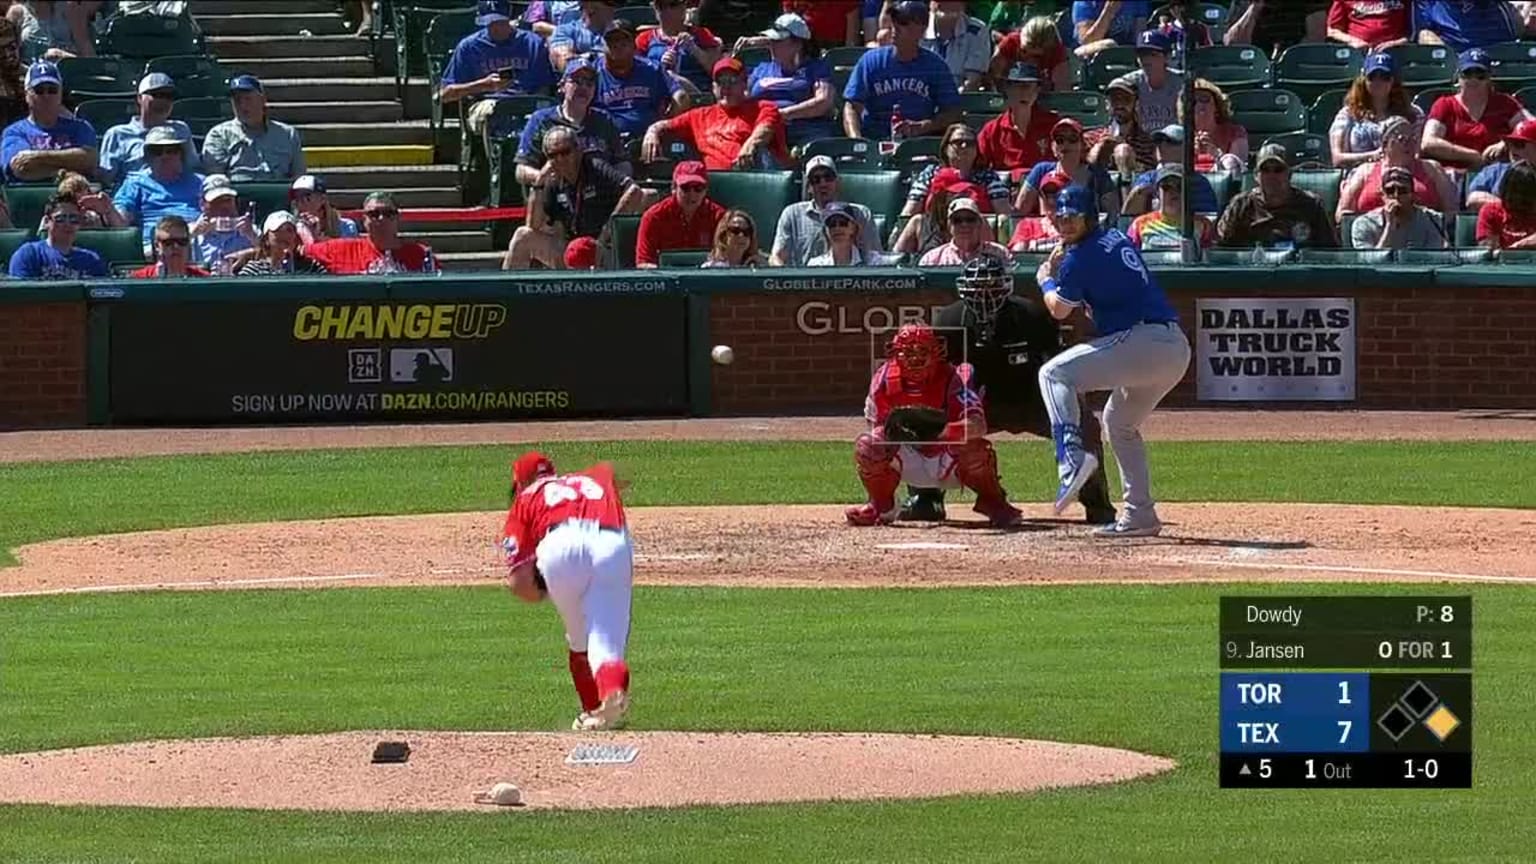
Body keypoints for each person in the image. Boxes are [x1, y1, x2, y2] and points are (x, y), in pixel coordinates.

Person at [901, 256, 1115, 524]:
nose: (984, 295)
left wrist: (1072, 405)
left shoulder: (1032, 315)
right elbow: (936, 378)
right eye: (977, 288)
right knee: (923, 417)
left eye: (991, 287)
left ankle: (1097, 501)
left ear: (1006, 287)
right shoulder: (948, 321)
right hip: (977, 407)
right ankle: (925, 498)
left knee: (1085, 425)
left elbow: (1060, 369)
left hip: (1033, 400)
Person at [1034, 183, 1189, 537]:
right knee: (1119, 423)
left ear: (1090, 217)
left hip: (1143, 341)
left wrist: (1045, 280)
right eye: (1061, 218)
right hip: (1172, 347)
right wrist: (1066, 261)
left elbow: (1059, 310)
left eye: (1073, 218)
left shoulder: (1079, 258)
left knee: (1053, 375)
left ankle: (1071, 458)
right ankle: (1140, 514)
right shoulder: (1114, 236)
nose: (1065, 224)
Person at [501, 451, 635, 732]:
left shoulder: (525, 499)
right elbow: (617, 473)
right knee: (606, 643)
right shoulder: (596, 476)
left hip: (559, 547)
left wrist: (548, 586)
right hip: (610, 543)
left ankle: (594, 711)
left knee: (579, 639)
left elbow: (520, 583)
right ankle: (610, 692)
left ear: (521, 482)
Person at [844, 321, 1024, 528]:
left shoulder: (955, 377)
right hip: (908, 459)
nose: (915, 359)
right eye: (908, 352)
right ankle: (881, 505)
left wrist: (940, 431)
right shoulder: (883, 379)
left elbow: (978, 425)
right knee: (868, 445)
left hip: (947, 459)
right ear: (895, 353)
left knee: (974, 447)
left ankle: (994, 503)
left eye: (922, 351)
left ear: (937, 352)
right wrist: (902, 432)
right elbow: (876, 427)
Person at [505, 125, 650, 268]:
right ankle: (505, 283)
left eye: (565, 152)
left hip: (602, 248)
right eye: (553, 155)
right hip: (571, 249)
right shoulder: (552, 181)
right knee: (523, 235)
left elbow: (634, 191)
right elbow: (533, 225)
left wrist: (606, 233)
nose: (560, 159)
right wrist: (538, 183)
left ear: (578, 150)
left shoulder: (595, 168)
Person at [437, 0, 556, 156]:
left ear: (509, 18)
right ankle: (496, 163)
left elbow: (544, 86)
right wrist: (484, 85)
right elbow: (444, 95)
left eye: (500, 22)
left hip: (527, 102)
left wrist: (534, 105)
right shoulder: (469, 47)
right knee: (492, 113)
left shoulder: (532, 43)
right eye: (490, 23)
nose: (495, 27)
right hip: (488, 102)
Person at [640, 56, 788, 170]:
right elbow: (664, 125)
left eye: (732, 80)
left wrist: (750, 145)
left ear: (744, 84)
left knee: (761, 153)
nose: (726, 87)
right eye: (720, 82)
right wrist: (652, 131)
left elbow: (764, 130)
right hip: (715, 184)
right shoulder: (698, 116)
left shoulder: (763, 107)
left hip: (756, 176)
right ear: (713, 87)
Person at [841, 1, 961, 140]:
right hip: (875, 141)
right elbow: (851, 106)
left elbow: (953, 112)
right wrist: (857, 140)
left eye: (903, 22)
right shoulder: (871, 61)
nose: (895, 27)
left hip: (917, 143)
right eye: (894, 21)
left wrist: (925, 126)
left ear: (922, 29)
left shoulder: (935, 66)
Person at [513, 58, 627, 189]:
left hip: (599, 194)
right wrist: (542, 177)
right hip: (557, 194)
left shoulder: (604, 120)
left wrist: (617, 182)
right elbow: (521, 170)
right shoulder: (541, 120)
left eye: (589, 83)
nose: (584, 87)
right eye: (577, 81)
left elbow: (622, 163)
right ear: (562, 86)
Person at [1421, 48, 1533, 173]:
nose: (1473, 79)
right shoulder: (1445, 104)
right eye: (1467, 74)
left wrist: (1505, 143)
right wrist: (1472, 156)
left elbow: (1530, 127)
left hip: (1497, 172)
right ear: (1458, 77)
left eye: (1480, 75)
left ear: (1489, 78)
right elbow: (1428, 142)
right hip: (1453, 173)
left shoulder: (1505, 103)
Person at [1337, 115, 1458, 225]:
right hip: (1372, 233)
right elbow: (1343, 213)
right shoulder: (1365, 171)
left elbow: (1451, 211)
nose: (1410, 144)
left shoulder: (1432, 169)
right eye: (1402, 139)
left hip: (1421, 233)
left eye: (1413, 139)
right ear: (1385, 145)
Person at [1215, 143, 1337, 249]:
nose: (1271, 176)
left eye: (1278, 170)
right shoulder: (1240, 205)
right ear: (1256, 175)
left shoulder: (1311, 205)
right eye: (1265, 170)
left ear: (1289, 174)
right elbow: (1220, 246)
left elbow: (1329, 251)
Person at [769, 154, 881, 266]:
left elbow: (875, 256)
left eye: (828, 177)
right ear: (808, 187)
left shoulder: (860, 214)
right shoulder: (792, 214)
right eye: (816, 180)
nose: (823, 184)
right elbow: (776, 257)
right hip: (805, 276)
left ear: (838, 181)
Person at [107, 124, 204, 252]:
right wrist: (108, 209)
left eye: (171, 150)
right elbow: (121, 223)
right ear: (148, 157)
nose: (165, 156)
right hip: (153, 246)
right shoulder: (135, 183)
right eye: (157, 152)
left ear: (181, 154)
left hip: (196, 241)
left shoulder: (201, 182)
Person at [747, 13, 836, 150]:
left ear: (798, 44)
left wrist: (783, 114)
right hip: (764, 132)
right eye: (771, 40)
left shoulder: (816, 68)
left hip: (807, 132)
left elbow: (823, 102)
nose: (771, 45)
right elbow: (742, 97)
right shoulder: (762, 69)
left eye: (777, 41)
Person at [592, 20, 686, 145]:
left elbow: (681, 97)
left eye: (624, 42)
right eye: (612, 42)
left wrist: (662, 128)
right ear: (603, 46)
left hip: (647, 140)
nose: (618, 46)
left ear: (634, 45)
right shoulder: (592, 72)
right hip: (607, 142)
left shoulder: (652, 68)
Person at [98, 71, 198, 187]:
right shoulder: (117, 134)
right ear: (140, 98)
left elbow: (193, 169)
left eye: (169, 96)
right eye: (157, 95)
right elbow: (106, 178)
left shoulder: (181, 130)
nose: (163, 101)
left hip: (178, 193)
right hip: (136, 193)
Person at [2, 59, 95, 183]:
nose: (46, 96)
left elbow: (88, 161)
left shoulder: (80, 127)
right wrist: (66, 171)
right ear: (26, 95)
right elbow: (21, 168)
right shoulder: (14, 131)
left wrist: (36, 156)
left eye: (52, 90)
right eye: (39, 90)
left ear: (60, 94)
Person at [200, 75, 306, 182]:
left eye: (248, 99)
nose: (242, 105)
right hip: (237, 190)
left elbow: (299, 177)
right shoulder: (219, 135)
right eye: (237, 100)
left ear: (262, 100)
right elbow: (215, 179)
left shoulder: (287, 134)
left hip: (279, 189)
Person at [1329, 52, 1422, 173]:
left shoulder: (1412, 113)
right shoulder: (1348, 114)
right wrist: (1373, 156)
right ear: (1363, 80)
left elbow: (1416, 156)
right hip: (1357, 176)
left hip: (1398, 175)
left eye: (1385, 77)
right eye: (1372, 77)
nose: (1378, 82)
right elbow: (1337, 159)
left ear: (1393, 81)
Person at [305, 191, 435, 274]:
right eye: (374, 214)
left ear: (397, 218)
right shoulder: (340, 250)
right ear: (364, 220)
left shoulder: (420, 254)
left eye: (388, 213)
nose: (381, 218)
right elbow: (302, 251)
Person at [1016, 117, 1119, 217]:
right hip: (1047, 227)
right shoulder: (1041, 171)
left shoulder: (1097, 174)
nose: (1066, 144)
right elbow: (1018, 213)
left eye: (1072, 139)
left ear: (1082, 145)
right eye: (1060, 140)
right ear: (1053, 147)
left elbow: (1113, 215)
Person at [903, 123, 1010, 217]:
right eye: (957, 142)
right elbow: (909, 211)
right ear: (946, 149)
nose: (964, 146)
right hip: (935, 229)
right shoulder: (931, 173)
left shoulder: (988, 177)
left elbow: (1004, 214)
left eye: (970, 143)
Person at [635, 160, 725, 267]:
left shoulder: (718, 216)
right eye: (685, 188)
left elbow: (727, 258)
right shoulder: (654, 217)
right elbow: (644, 263)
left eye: (698, 188)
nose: (692, 194)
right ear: (673, 188)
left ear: (706, 190)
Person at [976, 62, 1060, 178]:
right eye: (1018, 86)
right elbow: (977, 166)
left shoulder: (1054, 125)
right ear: (1007, 89)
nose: (1024, 93)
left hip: (1045, 184)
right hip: (1005, 186)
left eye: (1029, 86)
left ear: (1037, 90)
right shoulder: (992, 130)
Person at [1121, 125, 1220, 216]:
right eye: (1158, 141)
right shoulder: (1147, 178)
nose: (1161, 145)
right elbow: (1127, 219)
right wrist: (1139, 193)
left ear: (1186, 148)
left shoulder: (1198, 182)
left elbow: (1206, 220)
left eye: (1169, 141)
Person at [7, 192, 106, 278]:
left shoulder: (91, 260)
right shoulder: (29, 254)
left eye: (73, 219)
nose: (67, 224)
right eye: (60, 218)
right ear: (47, 221)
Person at [1349, 165, 1448, 250]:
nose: (1396, 196)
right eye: (1390, 191)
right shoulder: (1365, 224)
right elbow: (1371, 262)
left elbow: (1436, 257)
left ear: (1412, 195)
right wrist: (1389, 226)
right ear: (1382, 195)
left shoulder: (1433, 220)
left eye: (1402, 190)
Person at [637, 0, 724, 94]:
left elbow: (716, 70)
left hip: (697, 95)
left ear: (684, 7)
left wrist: (694, 49)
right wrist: (658, 66)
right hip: (659, 94)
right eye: (661, 6)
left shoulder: (701, 34)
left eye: (673, 5)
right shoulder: (645, 38)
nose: (667, 11)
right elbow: (636, 72)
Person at [1128, 164, 1216, 251]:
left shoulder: (1204, 226)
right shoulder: (1139, 224)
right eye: (1167, 187)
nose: (1173, 191)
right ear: (1157, 192)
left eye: (1180, 186)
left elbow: (1208, 257)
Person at [1112, 29, 1182, 133]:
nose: (1146, 59)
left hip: (1174, 141)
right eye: (1142, 54)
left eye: (1152, 54)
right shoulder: (1127, 84)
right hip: (1139, 141)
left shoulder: (1181, 83)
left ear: (1167, 56)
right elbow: (1120, 130)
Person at [1092, 76, 1157, 182]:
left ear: (1136, 104)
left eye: (1126, 99)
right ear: (1107, 104)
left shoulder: (1148, 142)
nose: (1120, 105)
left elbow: (1150, 174)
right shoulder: (1093, 137)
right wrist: (1101, 148)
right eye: (1114, 100)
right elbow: (1084, 172)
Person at [190, 173, 256, 273]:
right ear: (202, 204)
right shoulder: (188, 233)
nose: (224, 206)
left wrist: (252, 244)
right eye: (217, 201)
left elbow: (271, 255)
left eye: (228, 200)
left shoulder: (250, 230)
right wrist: (192, 235)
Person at [917, 196, 1011, 265]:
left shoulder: (1000, 254)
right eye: (957, 220)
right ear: (949, 225)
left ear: (980, 223)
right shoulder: (932, 259)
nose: (964, 225)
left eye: (970, 219)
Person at [987, 15, 1071, 92]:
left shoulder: (1057, 52)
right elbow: (994, 77)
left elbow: (1061, 89)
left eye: (1037, 56)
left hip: (1044, 97)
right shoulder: (1010, 43)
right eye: (1024, 51)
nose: (1029, 60)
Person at [1467, 119, 1536, 210]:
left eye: (1519, 144)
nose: (1513, 149)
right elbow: (1473, 198)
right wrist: (1512, 206)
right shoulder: (1496, 171)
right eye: (1509, 143)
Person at [921, 1, 990, 91]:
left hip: (958, 96)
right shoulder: (915, 26)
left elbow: (972, 82)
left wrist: (951, 97)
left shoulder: (977, 31)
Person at [1182, 78, 1247, 174]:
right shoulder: (1181, 134)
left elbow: (1237, 168)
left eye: (1205, 99)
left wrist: (1216, 153)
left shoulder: (1235, 132)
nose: (1199, 104)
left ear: (1216, 105)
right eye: (1193, 101)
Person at [236, 211, 330, 275]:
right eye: (278, 230)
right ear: (267, 239)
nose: (285, 235)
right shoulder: (254, 269)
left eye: (289, 230)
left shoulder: (310, 266)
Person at [1413, 0, 1525, 53]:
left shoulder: (1500, 6)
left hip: (1498, 62)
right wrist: (1450, 61)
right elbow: (1424, 33)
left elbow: (1517, 32)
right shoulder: (1429, 4)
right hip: (1456, 66)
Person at [1477, 159, 1536, 251]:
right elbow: (1488, 248)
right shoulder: (1490, 211)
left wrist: (1523, 245)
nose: (1517, 198)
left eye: (1524, 193)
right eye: (1513, 191)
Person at [549, 0, 621, 73]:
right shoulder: (564, 31)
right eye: (608, 3)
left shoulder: (622, 29)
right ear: (590, 6)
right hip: (586, 79)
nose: (613, 8)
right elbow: (563, 61)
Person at [127, 214, 209, 278]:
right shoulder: (138, 279)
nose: (176, 247)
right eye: (168, 242)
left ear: (188, 244)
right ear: (157, 246)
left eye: (182, 242)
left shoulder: (204, 279)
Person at [1008, 167, 1068, 251]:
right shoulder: (1028, 225)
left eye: (1056, 195)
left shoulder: (1075, 228)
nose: (1051, 201)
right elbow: (1017, 254)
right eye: (1046, 194)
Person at [289, 174, 358, 246]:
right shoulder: (293, 228)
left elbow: (347, 249)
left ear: (322, 199)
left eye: (307, 198)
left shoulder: (346, 226)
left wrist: (317, 236)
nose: (300, 203)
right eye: (296, 199)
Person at [1071, 1, 1151, 58]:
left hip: (1126, 52)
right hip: (1089, 54)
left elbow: (1140, 34)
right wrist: (1109, 10)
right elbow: (1087, 41)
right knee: (1109, 44)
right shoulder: (1085, 3)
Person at [1325, 0, 1410, 52]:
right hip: (1359, 53)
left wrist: (1396, 43)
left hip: (1396, 52)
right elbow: (1332, 30)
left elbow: (1413, 32)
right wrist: (1353, 41)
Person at [806, 201, 870, 265]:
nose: (837, 228)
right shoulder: (815, 264)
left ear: (853, 228)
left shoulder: (872, 261)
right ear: (826, 231)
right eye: (832, 224)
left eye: (843, 223)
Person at [700, 208, 768, 267]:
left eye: (747, 232)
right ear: (724, 235)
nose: (741, 235)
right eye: (736, 231)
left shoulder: (758, 266)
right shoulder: (711, 267)